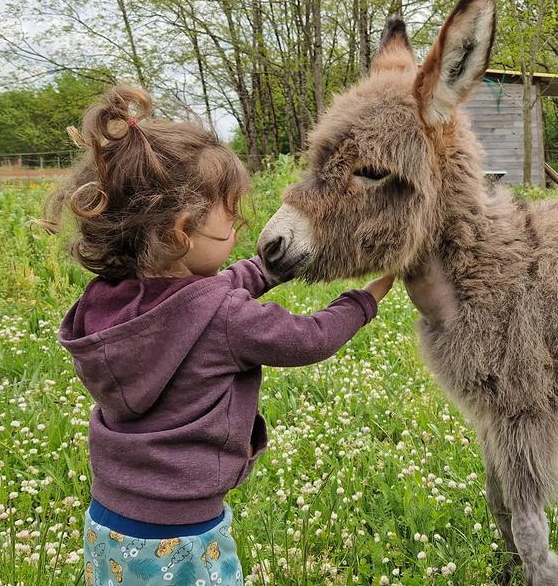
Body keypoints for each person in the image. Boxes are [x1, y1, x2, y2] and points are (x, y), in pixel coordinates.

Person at [44, 85, 393, 586]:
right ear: (185, 231)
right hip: (185, 531)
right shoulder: (224, 317)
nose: (241, 225)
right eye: (231, 216)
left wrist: (265, 272)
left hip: (109, 521)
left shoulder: (106, 301)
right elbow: (309, 338)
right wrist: (363, 300)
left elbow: (201, 296)